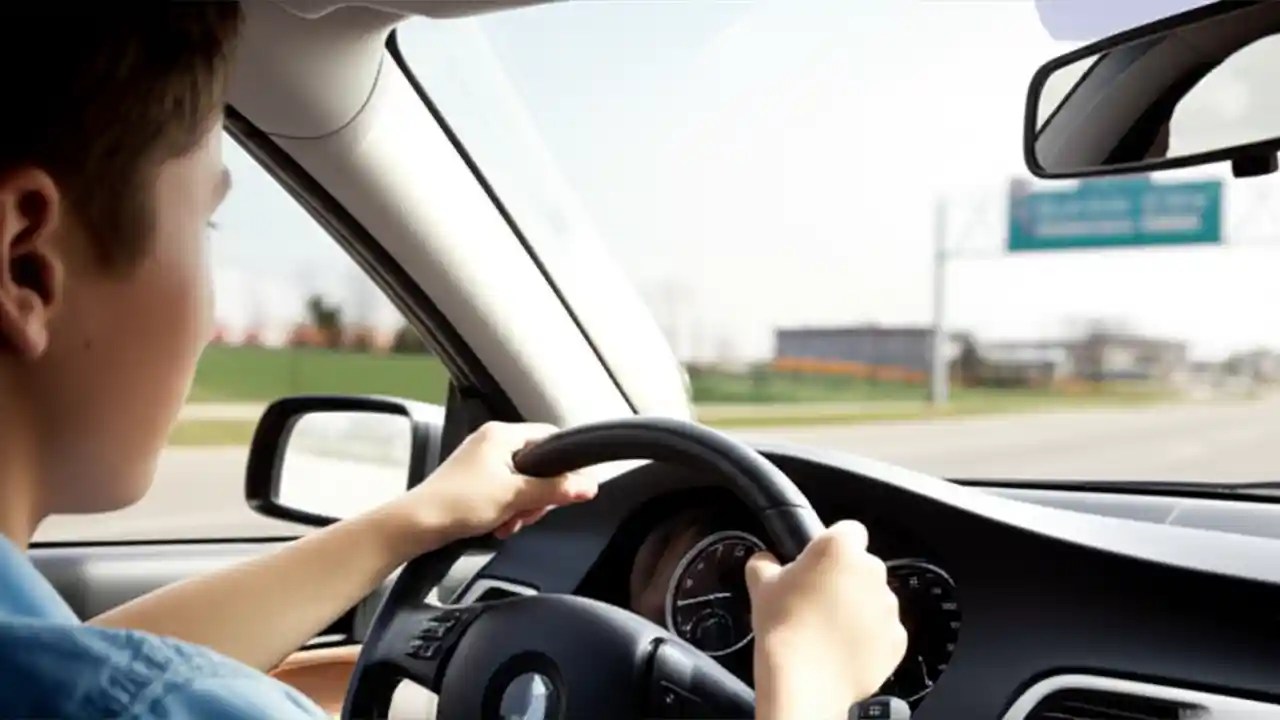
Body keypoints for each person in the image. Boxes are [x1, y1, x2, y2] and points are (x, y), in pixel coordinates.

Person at [0, 5, 905, 720]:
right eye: (204, 225)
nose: (210, 322)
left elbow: (97, 669)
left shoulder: (53, 668)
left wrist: (414, 521)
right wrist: (813, 684)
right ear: (26, 264)